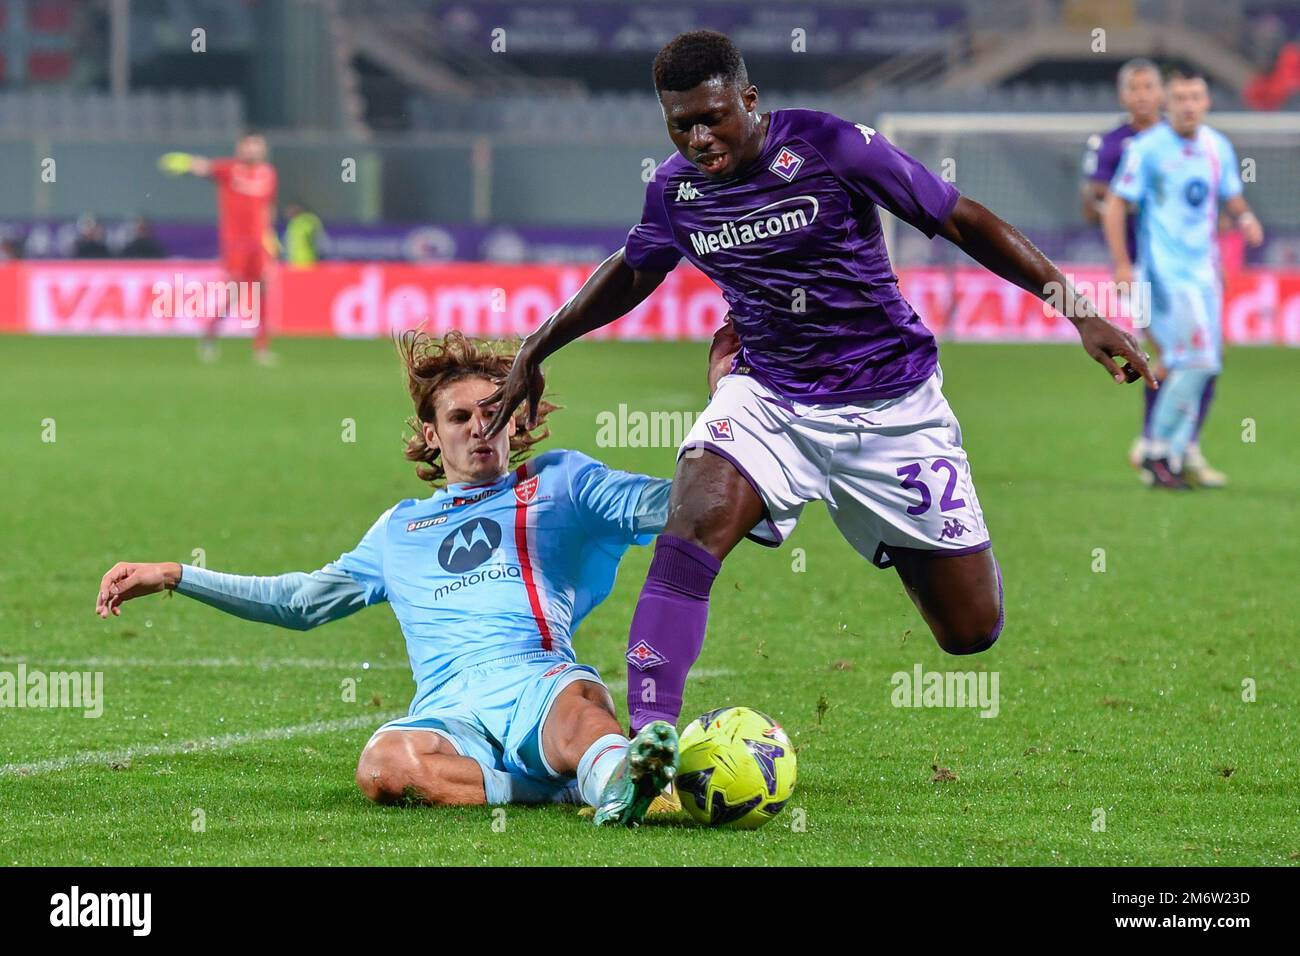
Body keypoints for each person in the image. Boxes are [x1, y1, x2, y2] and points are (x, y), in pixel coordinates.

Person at [483, 30, 1153, 735]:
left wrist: (1077, 310)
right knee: (693, 525)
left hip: (895, 406)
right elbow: (633, 269)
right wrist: (540, 342)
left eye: (716, 117)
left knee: (969, 631)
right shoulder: (675, 193)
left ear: (749, 99)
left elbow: (960, 217)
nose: (702, 138)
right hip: (769, 398)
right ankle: (649, 742)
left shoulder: (831, 147)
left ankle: (885, 526)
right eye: (683, 125)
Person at [94, 331, 681, 827]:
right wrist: (177, 574)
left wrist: (739, 453)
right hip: (451, 710)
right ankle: (568, 788)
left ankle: (620, 777)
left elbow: (673, 505)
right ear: (432, 433)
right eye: (459, 417)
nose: (479, 428)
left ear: (512, 421)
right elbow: (302, 601)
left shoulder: (560, 484)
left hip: (538, 681)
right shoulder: (399, 529)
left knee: (582, 714)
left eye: (492, 412)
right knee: (384, 766)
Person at [1103, 69, 1264, 489]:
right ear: (1167, 104)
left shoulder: (1217, 147)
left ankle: (1171, 453)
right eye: (1180, 97)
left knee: (1203, 363)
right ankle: (1158, 451)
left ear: (1206, 102)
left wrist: (1244, 218)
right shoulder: (1147, 148)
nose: (1188, 104)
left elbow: (1227, 194)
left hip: (1204, 274)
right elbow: (1116, 205)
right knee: (1194, 360)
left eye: (1196, 96)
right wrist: (1122, 264)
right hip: (1163, 275)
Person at [1081, 58, 1178, 483]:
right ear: (1124, 96)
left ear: (1161, 93)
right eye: (1133, 88)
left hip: (1182, 266)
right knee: (1170, 354)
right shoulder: (1111, 143)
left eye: (1148, 87)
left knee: (1189, 356)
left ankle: (1168, 443)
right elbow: (1093, 204)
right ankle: (1154, 444)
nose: (1141, 95)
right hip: (1139, 266)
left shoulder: (1182, 141)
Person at [159, 133, 279, 364]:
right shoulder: (229, 170)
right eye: (249, 147)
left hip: (259, 243)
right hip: (236, 243)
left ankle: (261, 348)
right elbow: (203, 167)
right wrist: (185, 162)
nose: (253, 151)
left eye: (257, 147)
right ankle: (209, 335)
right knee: (234, 291)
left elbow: (268, 207)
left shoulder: (268, 175)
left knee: (262, 289)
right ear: (240, 149)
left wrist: (270, 237)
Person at [283, 201, 326, 267]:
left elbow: (319, 241)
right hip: (295, 264)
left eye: (290, 209)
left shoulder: (309, 220)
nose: (287, 213)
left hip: (308, 263)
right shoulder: (293, 223)